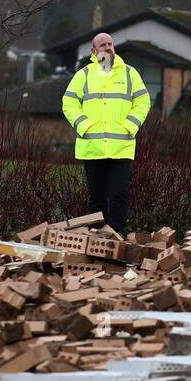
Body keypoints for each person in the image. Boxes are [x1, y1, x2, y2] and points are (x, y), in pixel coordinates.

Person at [61, 33, 150, 235]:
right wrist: (84, 126)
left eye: (110, 44)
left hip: (121, 147)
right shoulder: (83, 75)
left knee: (119, 193)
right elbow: (69, 102)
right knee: (97, 196)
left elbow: (143, 102)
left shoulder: (129, 74)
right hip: (93, 148)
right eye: (103, 45)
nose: (108, 47)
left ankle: (116, 234)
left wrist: (130, 125)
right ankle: (96, 235)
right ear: (94, 51)